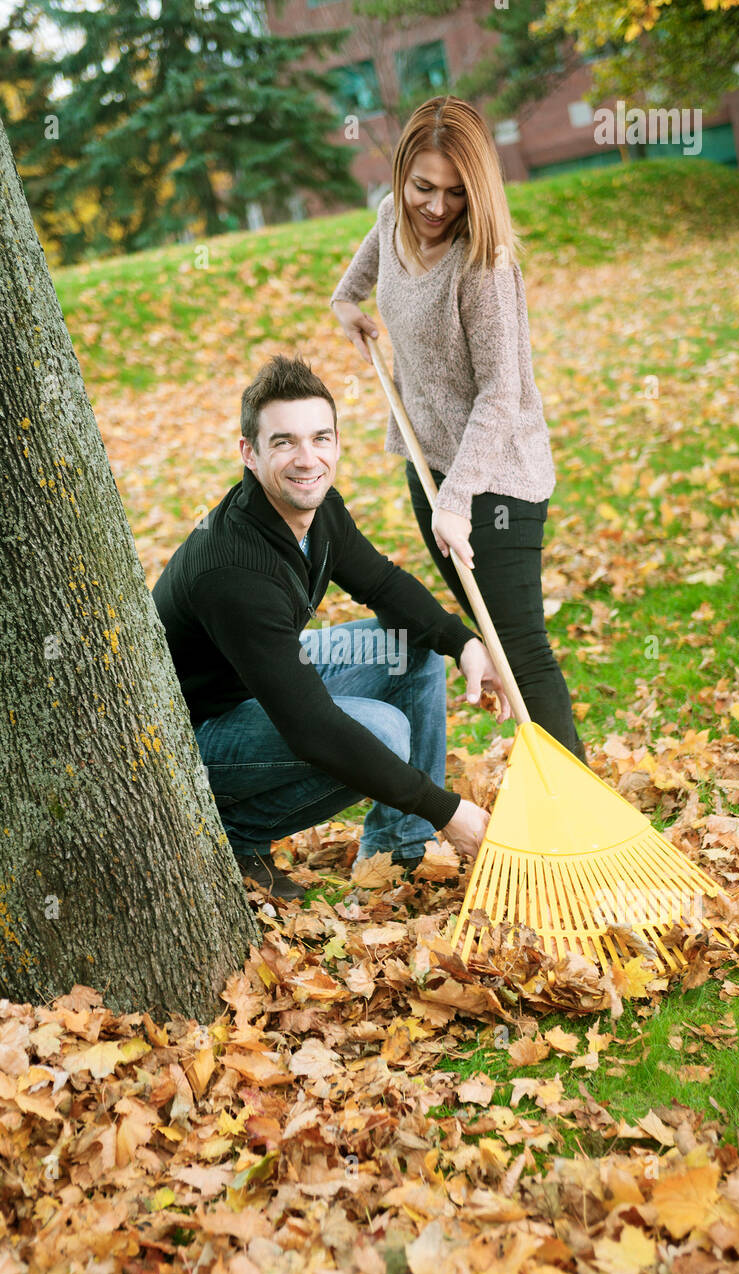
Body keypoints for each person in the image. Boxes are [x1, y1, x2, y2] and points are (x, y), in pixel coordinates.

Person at [152, 354, 511, 901]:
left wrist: (463, 644)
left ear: (338, 442)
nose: (307, 459)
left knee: (406, 646)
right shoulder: (232, 569)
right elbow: (312, 729)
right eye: (284, 442)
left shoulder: (318, 511)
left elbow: (383, 586)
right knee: (381, 732)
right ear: (248, 453)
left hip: (257, 684)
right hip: (189, 738)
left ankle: (399, 849)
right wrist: (446, 809)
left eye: (321, 438)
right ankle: (235, 836)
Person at [330, 94, 587, 765]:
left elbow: (502, 392)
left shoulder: (483, 264)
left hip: (496, 478)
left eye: (455, 193)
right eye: (423, 187)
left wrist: (458, 498)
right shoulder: (391, 219)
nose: (437, 207)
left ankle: (580, 819)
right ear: (400, 175)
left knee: (520, 648)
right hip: (428, 465)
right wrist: (346, 312)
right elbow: (350, 288)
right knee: (495, 640)